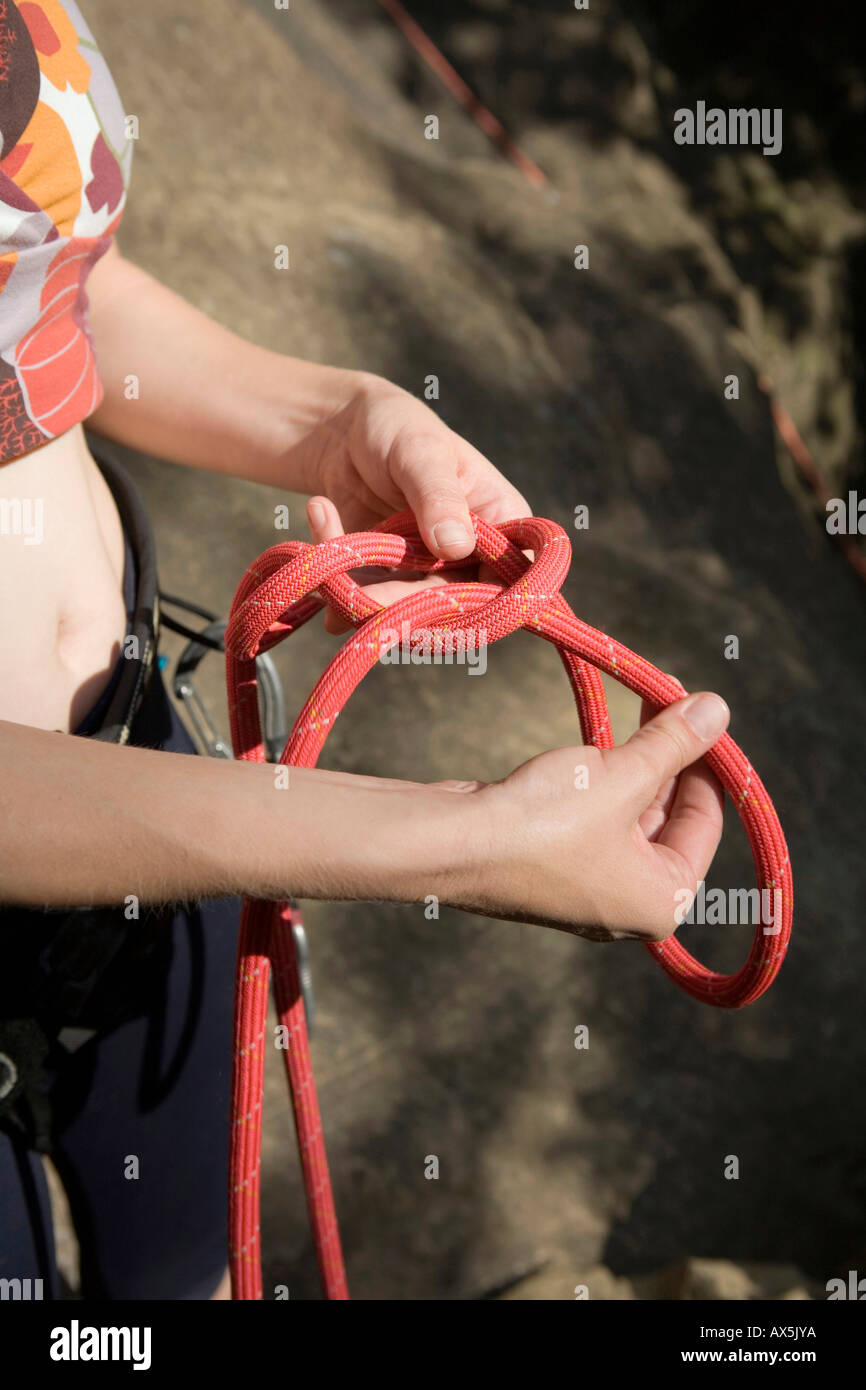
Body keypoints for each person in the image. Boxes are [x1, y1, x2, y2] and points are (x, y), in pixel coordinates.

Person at [0, 0, 729, 1301]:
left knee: (185, 1278)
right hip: (149, 827)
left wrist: (328, 419)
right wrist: (445, 838)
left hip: (146, 778)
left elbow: (47, 278)